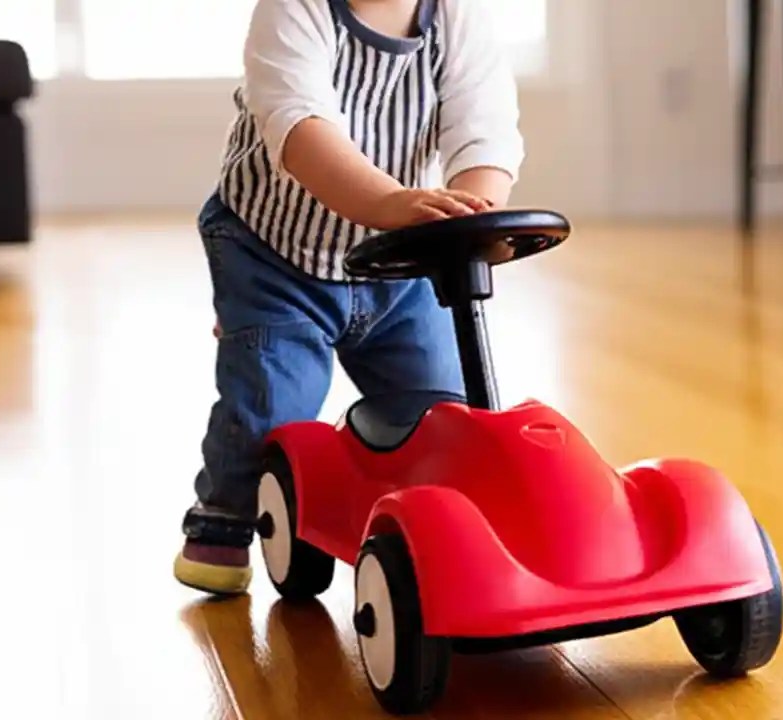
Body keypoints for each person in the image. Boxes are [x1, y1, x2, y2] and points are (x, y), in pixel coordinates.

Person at [174, 0, 524, 595]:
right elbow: (300, 125)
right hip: (274, 255)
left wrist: (475, 209)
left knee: (447, 414)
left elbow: (483, 127)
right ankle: (225, 517)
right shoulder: (294, 9)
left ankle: (446, 527)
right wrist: (388, 204)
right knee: (271, 399)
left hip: (398, 265)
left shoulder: (458, 19)